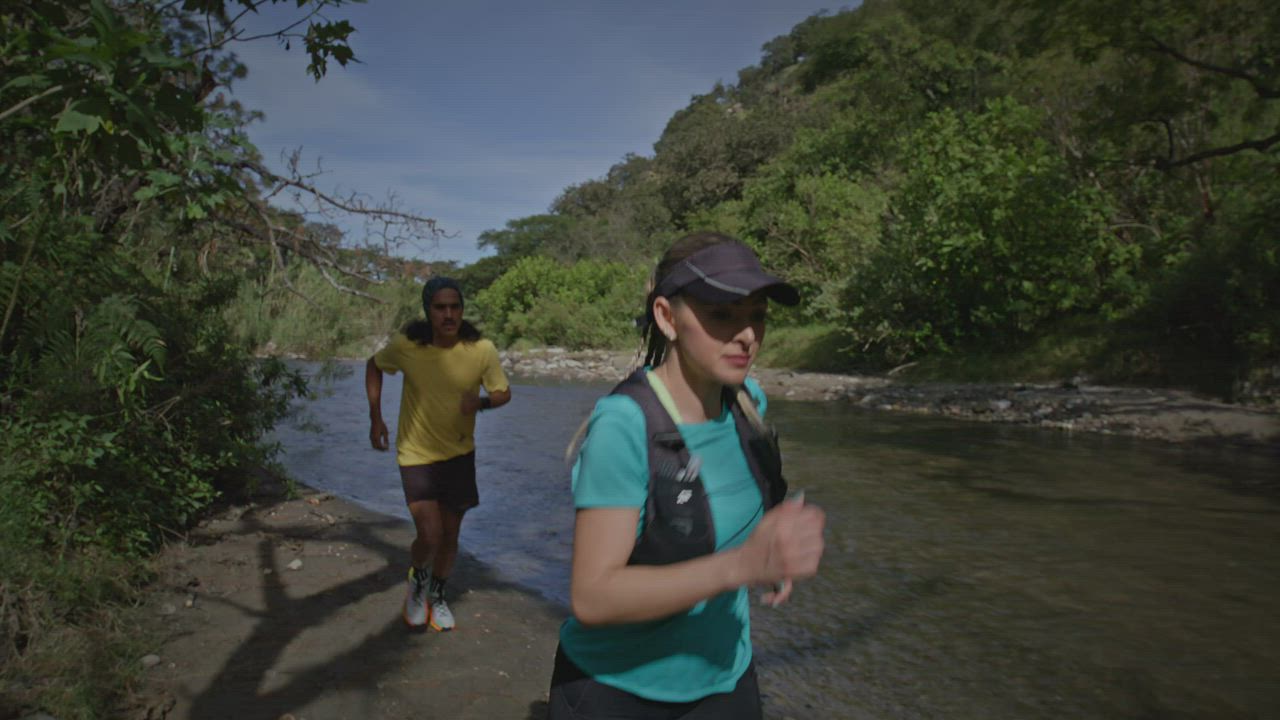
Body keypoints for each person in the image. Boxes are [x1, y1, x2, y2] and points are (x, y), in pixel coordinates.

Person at [549, 232, 827, 719]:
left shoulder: (747, 402)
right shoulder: (624, 425)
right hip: (619, 691)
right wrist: (742, 566)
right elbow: (592, 597)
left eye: (757, 315)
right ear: (666, 316)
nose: (746, 335)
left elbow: (740, 501)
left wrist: (773, 538)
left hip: (727, 679)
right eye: (722, 314)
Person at [366, 276, 511, 631]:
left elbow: (503, 393)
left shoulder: (482, 350)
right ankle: (418, 583)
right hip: (415, 454)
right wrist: (376, 417)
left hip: (460, 455)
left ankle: (439, 593)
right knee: (429, 534)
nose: (448, 314)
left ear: (462, 309)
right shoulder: (407, 346)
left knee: (450, 535)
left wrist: (479, 403)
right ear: (428, 310)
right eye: (440, 307)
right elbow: (374, 365)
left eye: (455, 307)